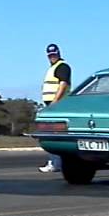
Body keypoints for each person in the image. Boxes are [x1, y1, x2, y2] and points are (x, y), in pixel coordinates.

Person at [38, 43, 72, 173]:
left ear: (59, 53)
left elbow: (63, 84)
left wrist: (55, 101)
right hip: (51, 104)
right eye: (50, 55)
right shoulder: (52, 68)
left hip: (57, 105)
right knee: (51, 134)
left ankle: (55, 163)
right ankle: (56, 162)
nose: (52, 57)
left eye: (54, 54)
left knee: (53, 134)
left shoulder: (62, 67)